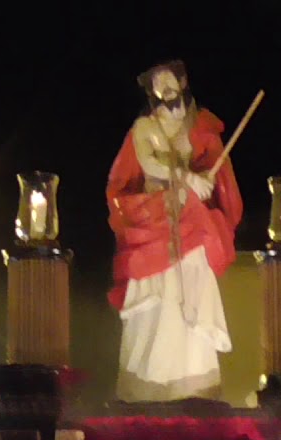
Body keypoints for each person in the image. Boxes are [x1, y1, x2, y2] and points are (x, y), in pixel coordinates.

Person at [106, 60, 243, 402]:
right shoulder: (145, 127)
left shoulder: (196, 125)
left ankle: (194, 379)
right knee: (155, 292)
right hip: (155, 214)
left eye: (169, 80)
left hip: (190, 217)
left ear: (182, 82)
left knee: (194, 279)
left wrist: (205, 178)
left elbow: (212, 165)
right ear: (151, 92)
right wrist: (186, 178)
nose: (164, 88)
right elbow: (150, 162)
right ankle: (147, 383)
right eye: (156, 84)